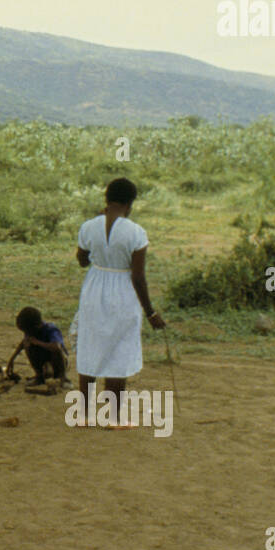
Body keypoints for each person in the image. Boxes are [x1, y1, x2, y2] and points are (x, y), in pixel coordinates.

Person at [74, 177, 166, 428]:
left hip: (94, 288)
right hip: (123, 291)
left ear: (106, 199)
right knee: (119, 350)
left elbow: (82, 261)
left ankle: (83, 414)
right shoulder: (136, 232)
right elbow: (138, 277)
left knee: (90, 344)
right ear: (130, 204)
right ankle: (112, 417)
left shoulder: (88, 226)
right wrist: (150, 312)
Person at [5, 306, 71, 390]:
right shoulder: (31, 331)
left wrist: (38, 342)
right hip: (45, 362)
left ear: (36, 327)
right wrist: (11, 360)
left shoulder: (51, 329)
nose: (26, 333)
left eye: (27, 331)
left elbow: (56, 347)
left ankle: (63, 377)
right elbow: (23, 343)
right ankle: (39, 377)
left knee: (55, 349)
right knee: (27, 344)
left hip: (60, 361)